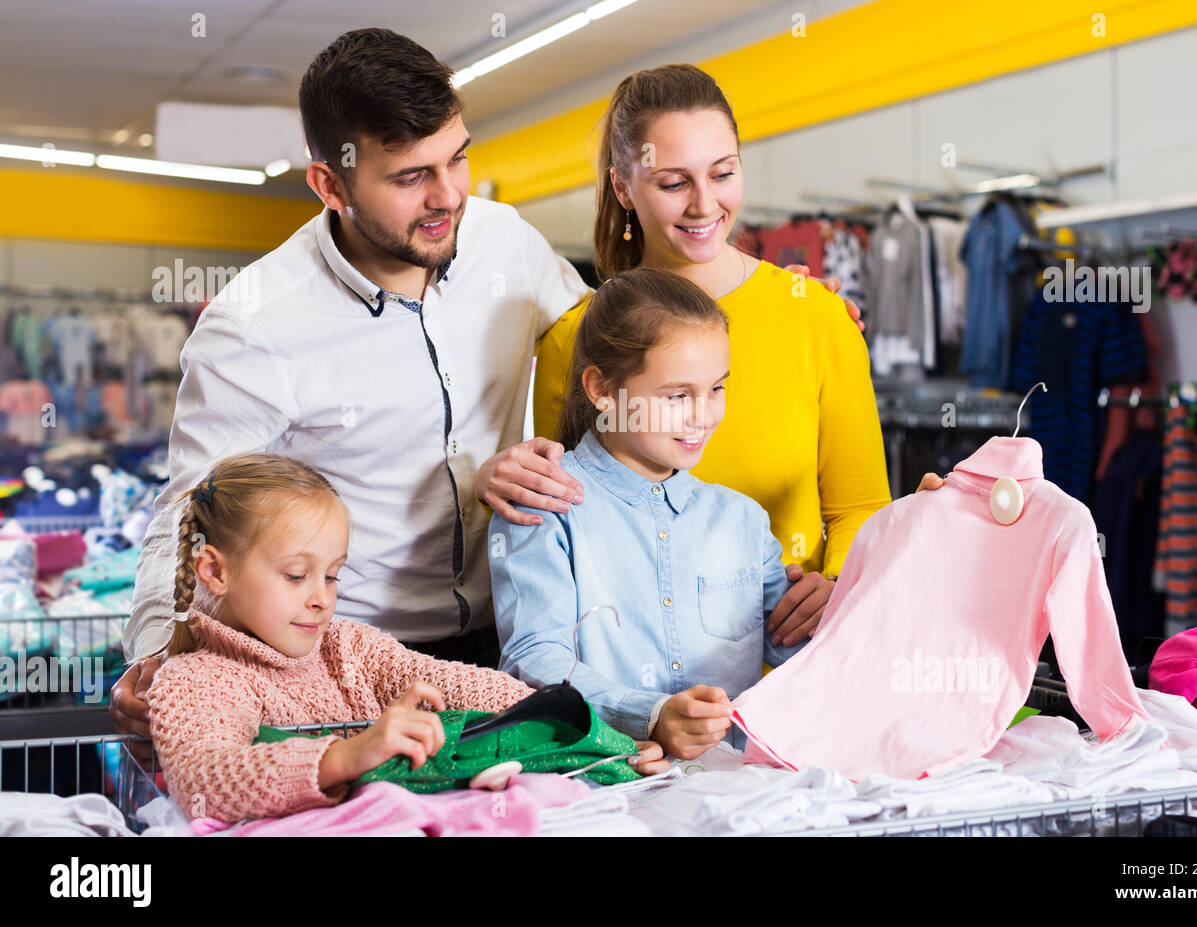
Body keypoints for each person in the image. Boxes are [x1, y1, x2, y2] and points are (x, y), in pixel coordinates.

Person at [110, 27, 593, 739]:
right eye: (408, 177)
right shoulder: (253, 325)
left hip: (508, 640)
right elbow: (192, 509)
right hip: (348, 671)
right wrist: (158, 649)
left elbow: (611, 358)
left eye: (457, 157)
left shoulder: (506, 243)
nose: (447, 195)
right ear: (329, 184)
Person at [481, 64, 891, 649]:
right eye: (674, 183)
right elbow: (563, 525)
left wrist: (839, 583)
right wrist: (503, 478)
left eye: (722, 174)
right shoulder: (574, 341)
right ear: (623, 187)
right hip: (630, 696)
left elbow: (863, 506)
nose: (705, 205)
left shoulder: (817, 316)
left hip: (793, 669)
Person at [147, 452, 666, 824]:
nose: (320, 598)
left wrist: (596, 738)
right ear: (215, 570)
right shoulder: (196, 680)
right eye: (295, 575)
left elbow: (465, 686)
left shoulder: (349, 648)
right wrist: (347, 757)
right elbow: (205, 778)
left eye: (332, 575)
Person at [492, 268, 814, 761]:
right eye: (677, 395)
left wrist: (885, 558)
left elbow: (808, 653)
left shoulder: (743, 522)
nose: (703, 416)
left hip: (741, 799)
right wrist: (648, 713)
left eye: (716, 389)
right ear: (602, 389)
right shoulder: (546, 505)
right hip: (603, 792)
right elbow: (533, 659)